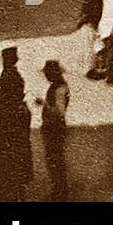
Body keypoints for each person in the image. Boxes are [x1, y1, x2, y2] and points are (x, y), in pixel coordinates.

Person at [38, 61, 70, 201]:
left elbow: (59, 112)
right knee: (55, 158)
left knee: (54, 159)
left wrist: (44, 104)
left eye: (47, 73)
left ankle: (59, 189)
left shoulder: (59, 90)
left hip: (54, 128)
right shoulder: (59, 87)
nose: (45, 76)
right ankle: (59, 187)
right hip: (54, 127)